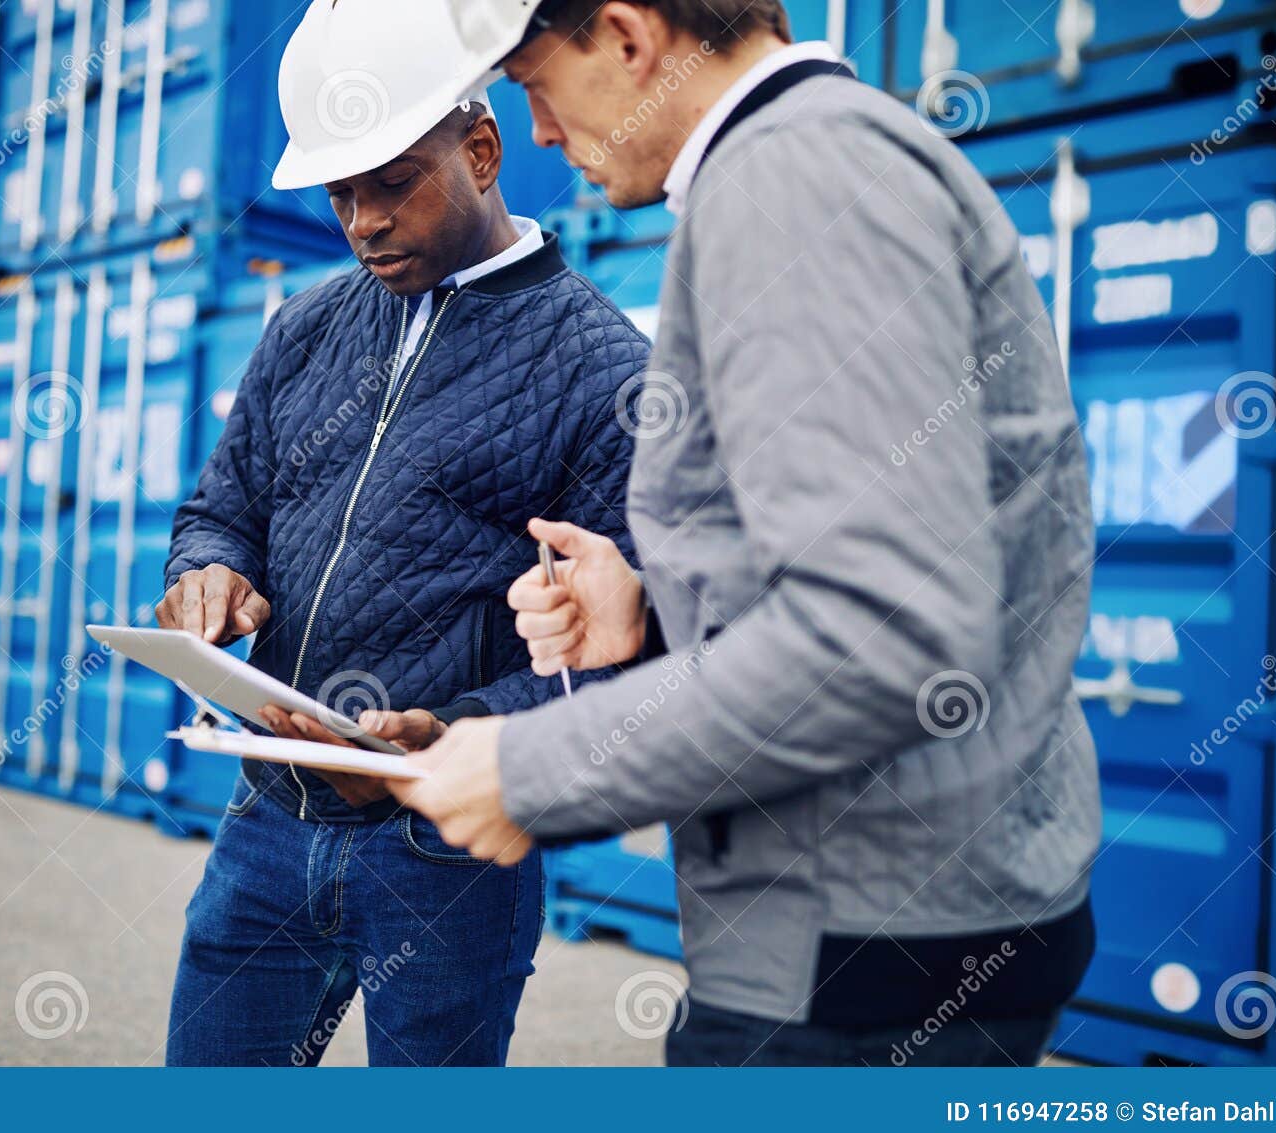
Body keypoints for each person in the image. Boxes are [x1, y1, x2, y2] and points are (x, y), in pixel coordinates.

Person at [391, 0, 1102, 1067]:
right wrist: (648, 615)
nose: (536, 130)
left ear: (628, 39)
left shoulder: (791, 181)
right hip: (900, 921)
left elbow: (882, 634)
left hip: (859, 958)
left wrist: (530, 770)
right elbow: (890, 560)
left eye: (534, 80)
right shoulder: (828, 154)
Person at [154, 0, 648, 1067]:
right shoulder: (303, 328)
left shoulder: (603, 370)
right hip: (267, 825)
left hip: (445, 851)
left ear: (480, 149)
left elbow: (616, 661)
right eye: (340, 194)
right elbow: (219, 507)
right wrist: (211, 571)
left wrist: (455, 732)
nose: (363, 221)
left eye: (391, 182)